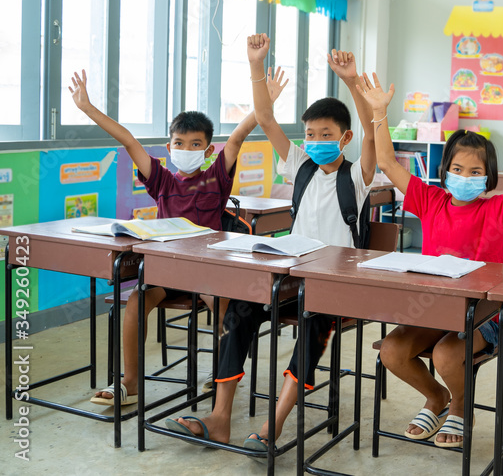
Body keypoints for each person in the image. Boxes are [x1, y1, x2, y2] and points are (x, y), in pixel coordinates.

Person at [167, 36, 376, 456]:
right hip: (289, 277)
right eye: (310, 133)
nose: (315, 140)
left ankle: (275, 422)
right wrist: (255, 64)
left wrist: (353, 84)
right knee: (241, 310)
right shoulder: (299, 165)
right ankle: (219, 417)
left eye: (326, 134)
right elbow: (264, 116)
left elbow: (373, 130)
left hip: (334, 287)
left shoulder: (358, 175)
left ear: (345, 136)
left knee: (313, 322)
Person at [358, 71, 503, 448]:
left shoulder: (497, 209)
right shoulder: (431, 200)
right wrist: (379, 113)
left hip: (486, 315)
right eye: (457, 169)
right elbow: (386, 161)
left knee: (447, 354)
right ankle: (437, 398)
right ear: (444, 171)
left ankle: (461, 409)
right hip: (436, 308)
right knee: (392, 351)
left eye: (476, 172)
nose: (465, 177)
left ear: (489, 178)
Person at [69, 68, 286, 406]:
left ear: (208, 149)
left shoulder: (216, 177)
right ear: (169, 147)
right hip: (167, 273)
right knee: (137, 301)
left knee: (223, 304)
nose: (186, 149)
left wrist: (264, 102)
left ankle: (222, 376)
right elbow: (128, 139)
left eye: (195, 144)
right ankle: (130, 381)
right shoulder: (162, 180)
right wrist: (88, 109)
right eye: (179, 143)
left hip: (208, 273)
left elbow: (239, 136)